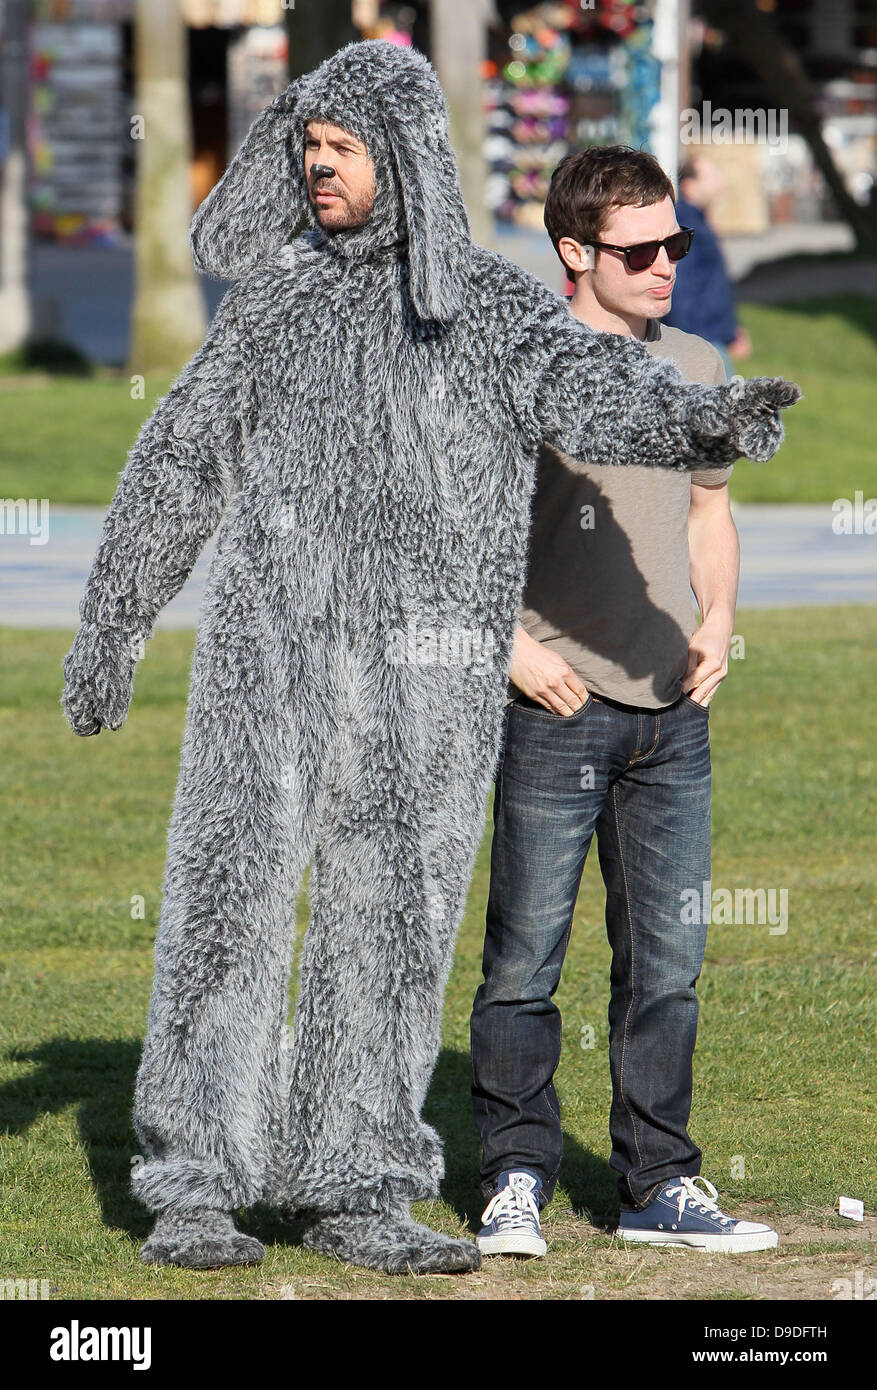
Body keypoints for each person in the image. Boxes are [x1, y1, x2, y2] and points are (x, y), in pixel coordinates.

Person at [60, 45, 798, 1277]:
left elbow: (591, 381)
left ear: (399, 155)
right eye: (308, 148)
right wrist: (114, 624)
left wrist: (699, 418)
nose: (317, 168)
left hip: (433, 683)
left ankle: (355, 1181)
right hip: (268, 661)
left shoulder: (488, 306)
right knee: (224, 911)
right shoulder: (276, 305)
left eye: (340, 149)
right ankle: (194, 1179)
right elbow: (178, 457)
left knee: (390, 921)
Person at [471, 145, 780, 1258]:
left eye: (675, 245)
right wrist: (506, 647)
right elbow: (451, 533)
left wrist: (715, 621)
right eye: (640, 250)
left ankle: (658, 1183)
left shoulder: (697, 364)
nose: (665, 266)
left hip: (672, 716)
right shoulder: (520, 366)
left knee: (668, 963)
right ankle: (513, 1174)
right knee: (523, 962)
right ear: (573, 253)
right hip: (552, 709)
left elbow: (709, 515)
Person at [664, 153, 751, 376]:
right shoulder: (685, 225)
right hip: (699, 338)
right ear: (689, 185)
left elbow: (712, 283)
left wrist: (730, 330)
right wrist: (685, 344)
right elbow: (679, 285)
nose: (718, 180)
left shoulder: (699, 219)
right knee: (723, 407)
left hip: (712, 334)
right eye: (710, 175)